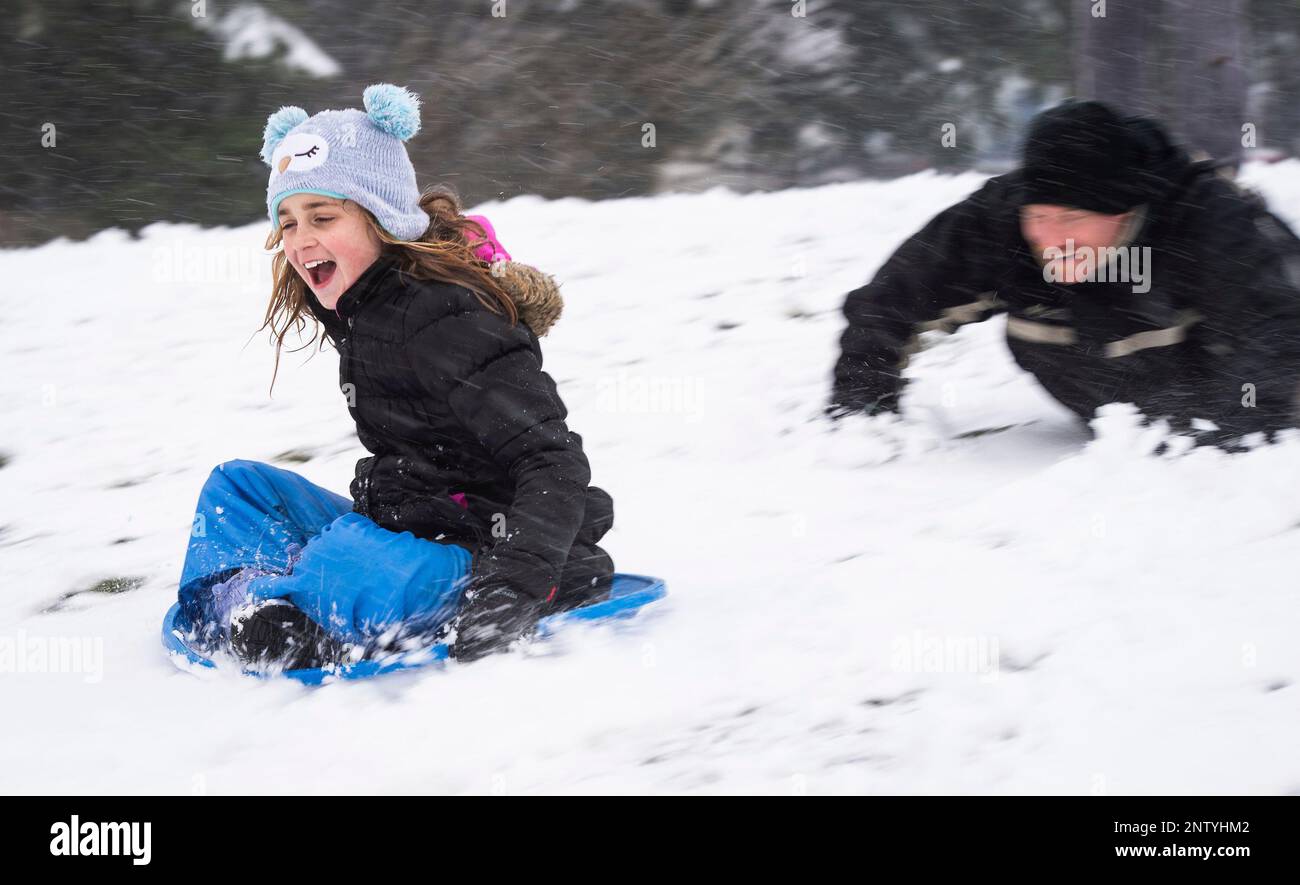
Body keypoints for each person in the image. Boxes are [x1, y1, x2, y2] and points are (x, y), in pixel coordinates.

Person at [176, 84, 614, 667]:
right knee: (239, 488)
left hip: (487, 550)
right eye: (287, 221)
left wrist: (511, 589)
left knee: (355, 557)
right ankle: (269, 605)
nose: (300, 239)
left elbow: (552, 462)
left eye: (322, 216)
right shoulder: (362, 308)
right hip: (410, 527)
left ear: (382, 219)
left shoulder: (447, 315)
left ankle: (282, 610)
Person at [829, 100, 1300, 448]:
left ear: (1125, 212)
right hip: (1106, 423)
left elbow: (1278, 336)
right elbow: (891, 300)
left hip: (1210, 427)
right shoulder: (1000, 221)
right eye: (1040, 217)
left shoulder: (1210, 221)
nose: (1052, 239)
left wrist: (1223, 443)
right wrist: (862, 404)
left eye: (1073, 220)